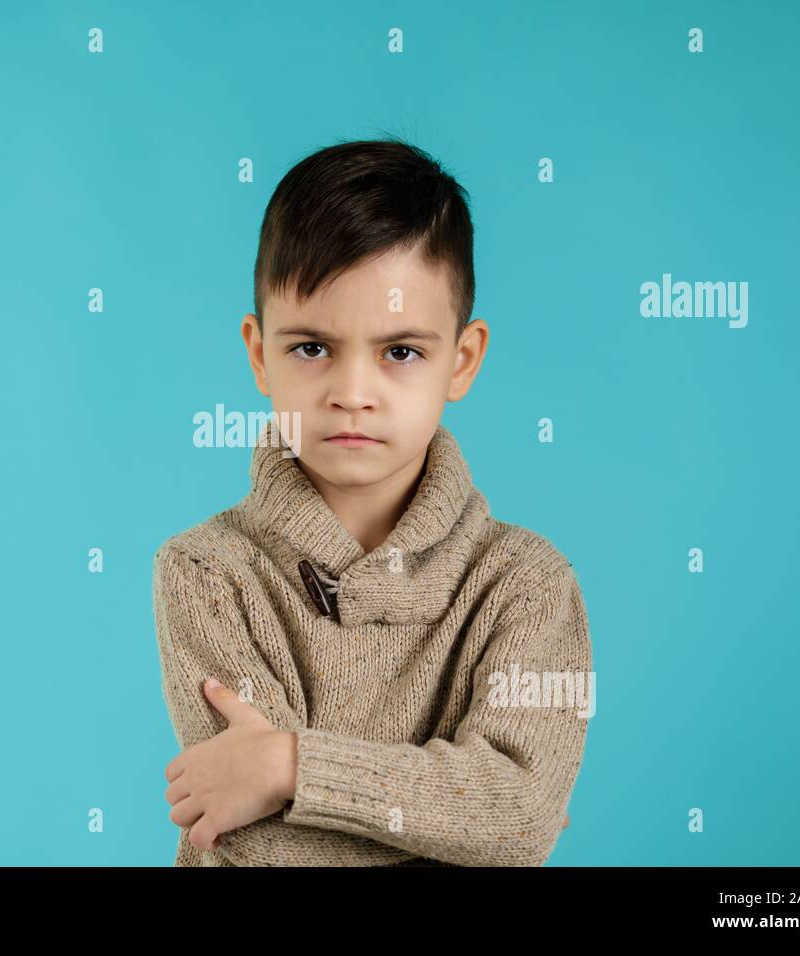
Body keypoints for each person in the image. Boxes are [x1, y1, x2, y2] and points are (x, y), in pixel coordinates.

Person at [153, 137, 592, 866]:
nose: (352, 393)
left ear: (462, 360)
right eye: (311, 348)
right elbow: (260, 845)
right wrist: (457, 815)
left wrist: (292, 767)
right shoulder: (208, 572)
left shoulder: (527, 585)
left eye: (400, 352)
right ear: (259, 354)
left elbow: (520, 815)